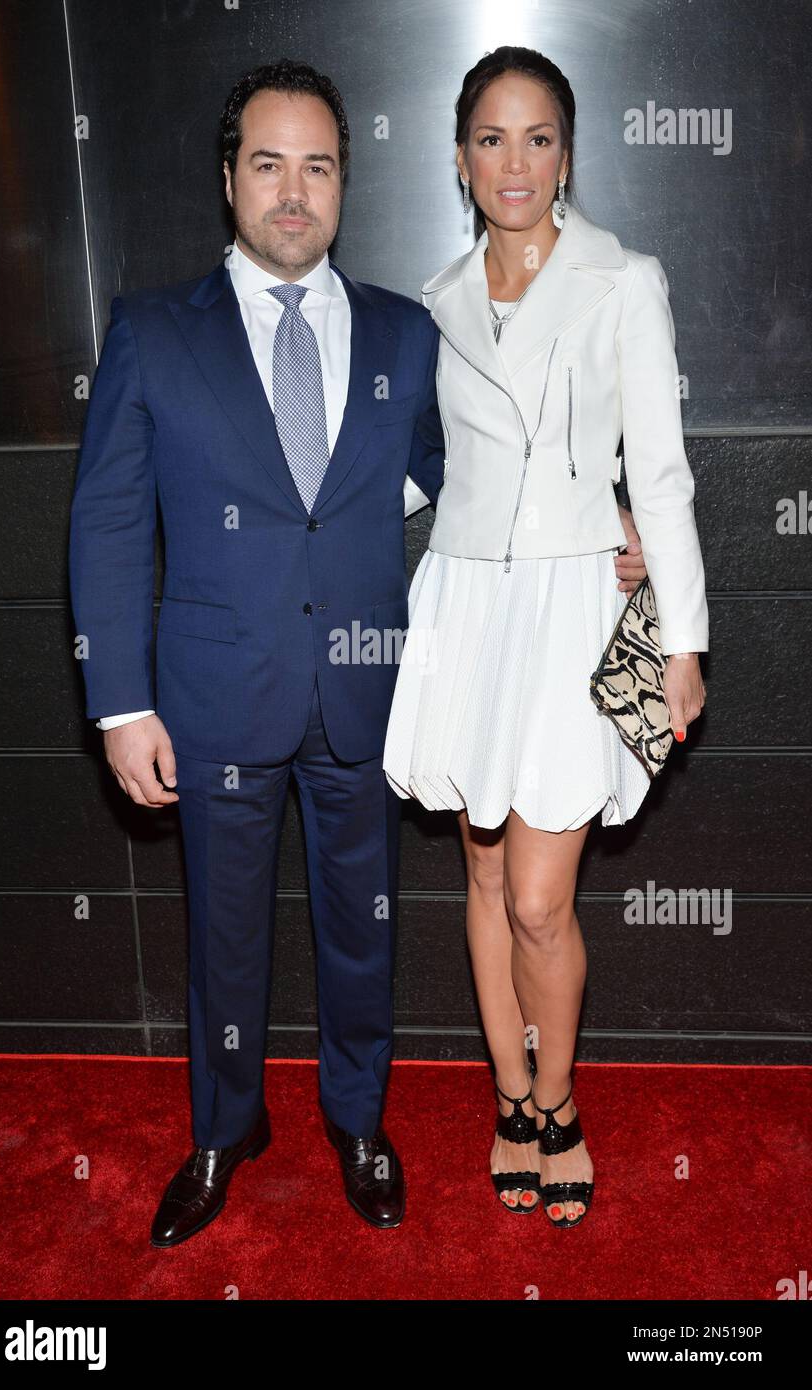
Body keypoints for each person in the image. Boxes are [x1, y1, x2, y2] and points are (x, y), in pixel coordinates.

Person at [68, 59, 447, 1243]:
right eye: (269, 164)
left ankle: (359, 1119)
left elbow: (457, 473)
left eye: (318, 166)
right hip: (211, 700)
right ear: (230, 179)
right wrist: (119, 701)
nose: (295, 192)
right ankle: (224, 1129)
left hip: (360, 688)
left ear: (344, 183)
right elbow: (109, 520)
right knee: (222, 938)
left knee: (363, 925)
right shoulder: (149, 331)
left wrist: (607, 520)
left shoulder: (404, 330)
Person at [383, 46, 708, 1229]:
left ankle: (560, 1099)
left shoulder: (623, 281)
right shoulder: (433, 300)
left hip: (574, 603)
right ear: (461, 158)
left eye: (536, 138)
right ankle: (508, 1095)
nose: (512, 162)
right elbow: (425, 470)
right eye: (488, 138)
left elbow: (658, 473)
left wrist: (680, 637)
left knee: (534, 897)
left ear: (565, 154)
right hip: (467, 602)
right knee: (476, 869)